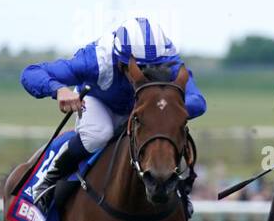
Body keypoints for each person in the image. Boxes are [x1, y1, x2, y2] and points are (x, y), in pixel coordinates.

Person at [20, 16, 206, 209]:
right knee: (99, 134)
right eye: (140, 68)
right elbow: (30, 73)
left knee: (169, 133)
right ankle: (49, 180)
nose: (146, 74)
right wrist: (58, 89)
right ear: (120, 62)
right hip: (99, 102)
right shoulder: (94, 60)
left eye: (153, 68)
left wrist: (165, 111)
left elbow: (198, 101)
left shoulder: (167, 60)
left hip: (144, 110)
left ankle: (181, 192)